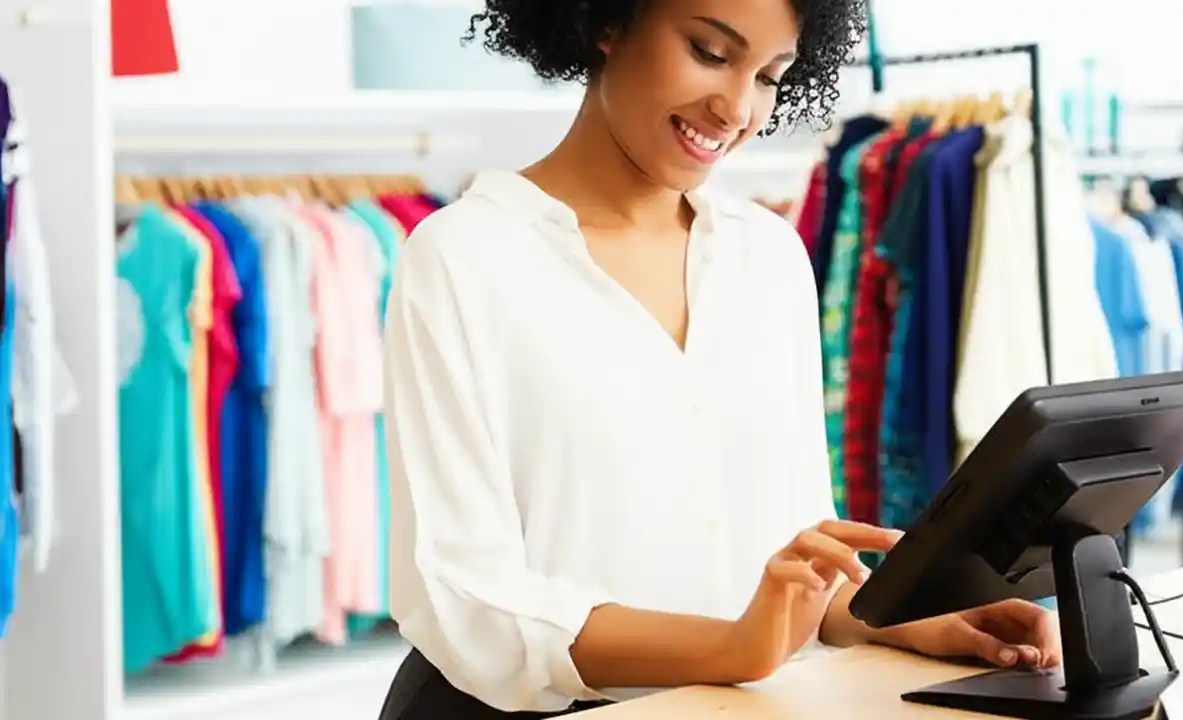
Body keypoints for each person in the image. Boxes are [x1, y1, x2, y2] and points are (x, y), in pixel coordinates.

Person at [377, 1, 1063, 718]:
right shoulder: (463, 258)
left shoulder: (765, 255)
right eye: (709, 52)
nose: (738, 107)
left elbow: (798, 564)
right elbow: (469, 599)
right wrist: (733, 647)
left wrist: (912, 616)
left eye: (770, 75)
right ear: (607, 20)